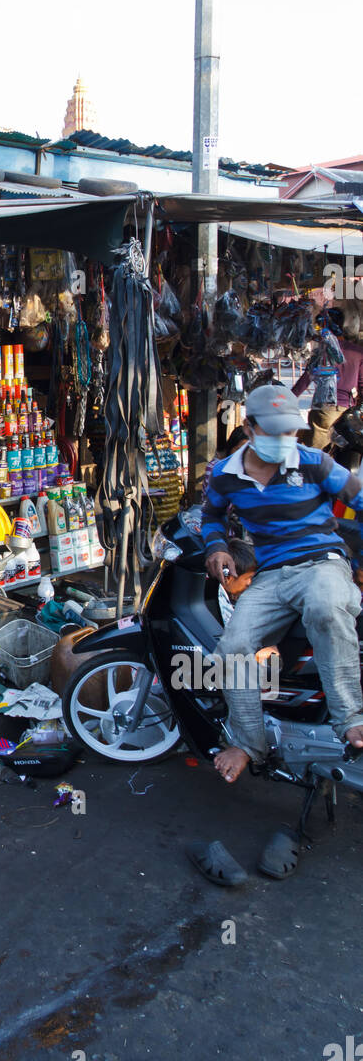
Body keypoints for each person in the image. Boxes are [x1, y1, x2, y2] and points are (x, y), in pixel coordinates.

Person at [198, 384, 363, 875]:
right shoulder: (225, 476)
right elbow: (210, 517)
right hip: (271, 576)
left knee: (326, 607)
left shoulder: (313, 461)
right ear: (248, 429)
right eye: (276, 432)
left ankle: (349, 716)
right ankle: (249, 742)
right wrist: (215, 548)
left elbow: (358, 497)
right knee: (232, 646)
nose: (286, 439)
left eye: (292, 430)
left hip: (322, 564)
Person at [292, 307, 363, 449]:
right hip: (347, 413)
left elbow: (305, 380)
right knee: (341, 458)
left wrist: (287, 398)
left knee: (319, 460)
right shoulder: (358, 352)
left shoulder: (322, 351)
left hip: (324, 411)